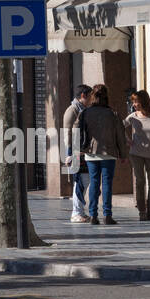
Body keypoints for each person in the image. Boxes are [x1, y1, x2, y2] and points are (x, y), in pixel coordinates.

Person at [78, 84, 128, 224]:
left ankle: (93, 215)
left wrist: (79, 149)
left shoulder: (86, 113)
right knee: (107, 183)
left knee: (94, 182)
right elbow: (120, 135)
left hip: (91, 152)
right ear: (107, 96)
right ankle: (107, 215)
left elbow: (77, 130)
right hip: (109, 152)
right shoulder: (113, 113)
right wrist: (123, 154)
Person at [124, 90, 150, 221]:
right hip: (136, 154)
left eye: (136, 101)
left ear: (144, 101)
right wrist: (127, 139)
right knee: (140, 182)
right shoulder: (133, 116)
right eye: (133, 101)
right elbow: (119, 126)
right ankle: (142, 211)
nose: (134, 104)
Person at [63, 85, 92, 223]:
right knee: (80, 181)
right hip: (75, 150)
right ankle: (76, 213)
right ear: (83, 96)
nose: (92, 99)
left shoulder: (83, 109)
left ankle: (80, 211)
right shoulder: (73, 110)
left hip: (82, 150)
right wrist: (70, 153)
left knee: (84, 180)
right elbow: (67, 132)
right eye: (90, 96)